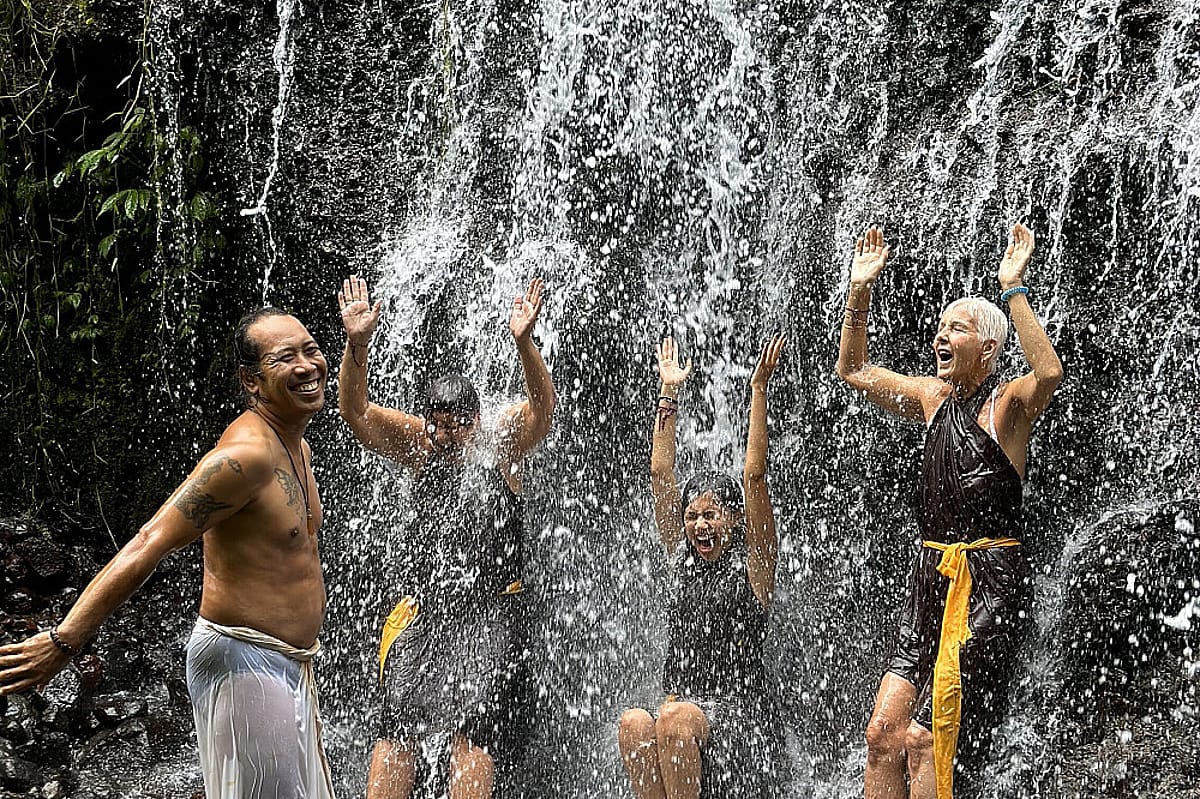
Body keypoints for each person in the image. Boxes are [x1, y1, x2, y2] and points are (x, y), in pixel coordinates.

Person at [0, 308, 337, 798]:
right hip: (243, 655)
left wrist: (358, 345)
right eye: (286, 358)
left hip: (288, 660)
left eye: (311, 350)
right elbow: (147, 542)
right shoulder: (245, 458)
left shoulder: (295, 446)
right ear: (252, 380)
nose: (308, 365)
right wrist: (64, 640)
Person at [836, 224, 1063, 799]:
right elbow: (854, 372)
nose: (939, 337)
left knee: (923, 740)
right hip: (931, 580)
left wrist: (1013, 288)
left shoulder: (1007, 406)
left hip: (989, 582)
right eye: (939, 328)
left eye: (955, 329)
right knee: (882, 733)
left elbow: (1051, 374)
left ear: (987, 348)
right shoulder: (933, 400)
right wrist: (860, 290)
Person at [336, 275, 555, 799]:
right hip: (427, 614)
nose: (445, 436)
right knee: (394, 735)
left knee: (471, 738)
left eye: (456, 426)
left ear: (474, 421)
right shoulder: (418, 443)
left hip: (490, 615)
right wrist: (357, 344)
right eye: (437, 425)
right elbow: (355, 413)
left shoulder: (496, 441)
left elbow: (542, 410)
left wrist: (525, 344)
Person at [617, 333, 785, 799]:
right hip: (685, 715)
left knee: (673, 716)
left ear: (734, 520)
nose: (699, 525)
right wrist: (668, 392)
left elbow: (754, 476)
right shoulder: (682, 560)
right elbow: (659, 473)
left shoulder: (755, 568)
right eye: (692, 516)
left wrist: (758, 392)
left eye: (710, 515)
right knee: (634, 723)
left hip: (741, 719)